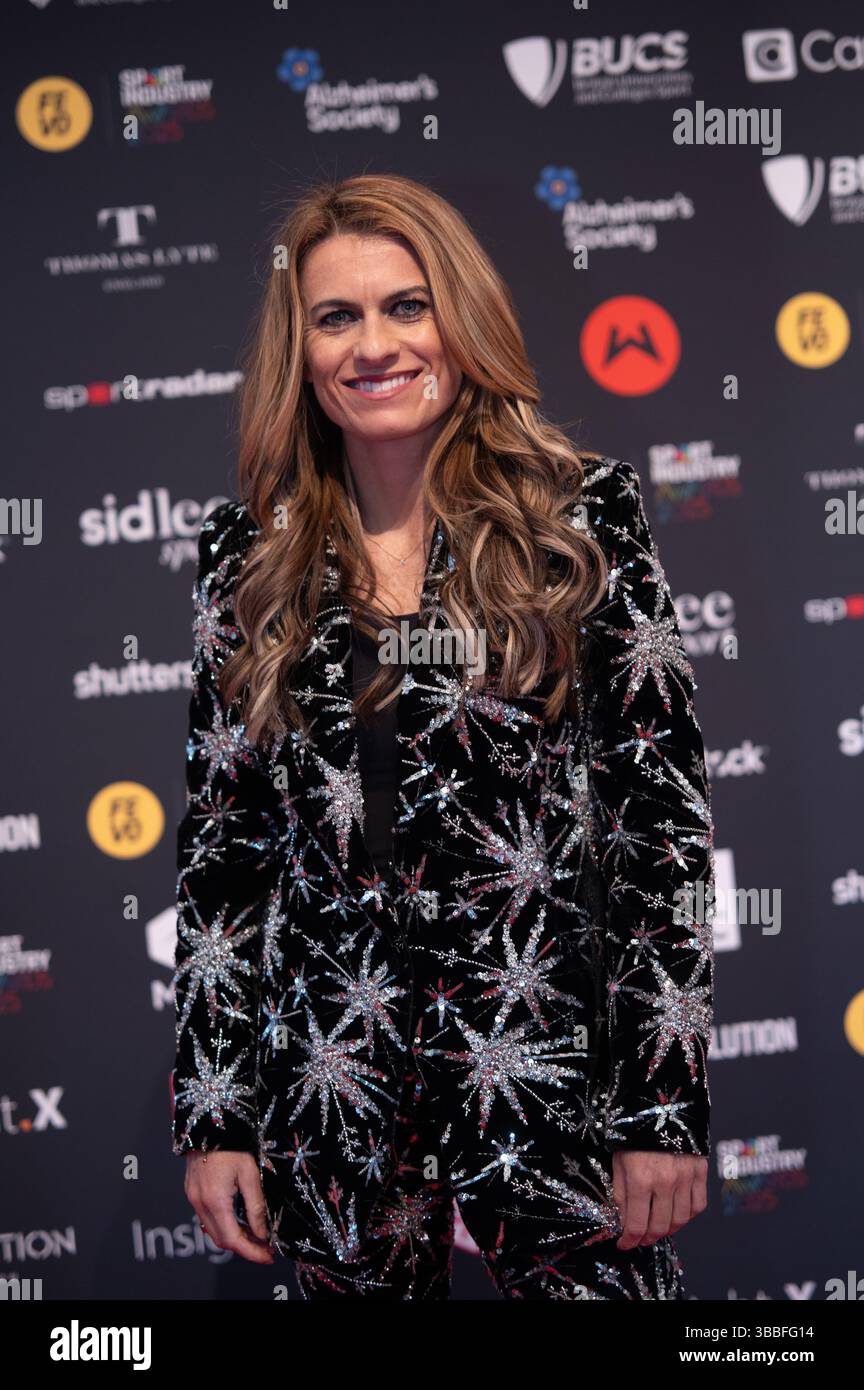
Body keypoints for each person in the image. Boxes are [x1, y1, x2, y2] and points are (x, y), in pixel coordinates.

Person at [171, 173, 715, 1300]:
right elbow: (225, 855)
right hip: (335, 1104)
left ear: (459, 321)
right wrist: (216, 1106)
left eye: (406, 307)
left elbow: (657, 822)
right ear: (302, 350)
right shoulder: (249, 557)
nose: (374, 345)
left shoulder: (579, 521)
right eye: (337, 317)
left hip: (552, 1090)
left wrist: (664, 1098)